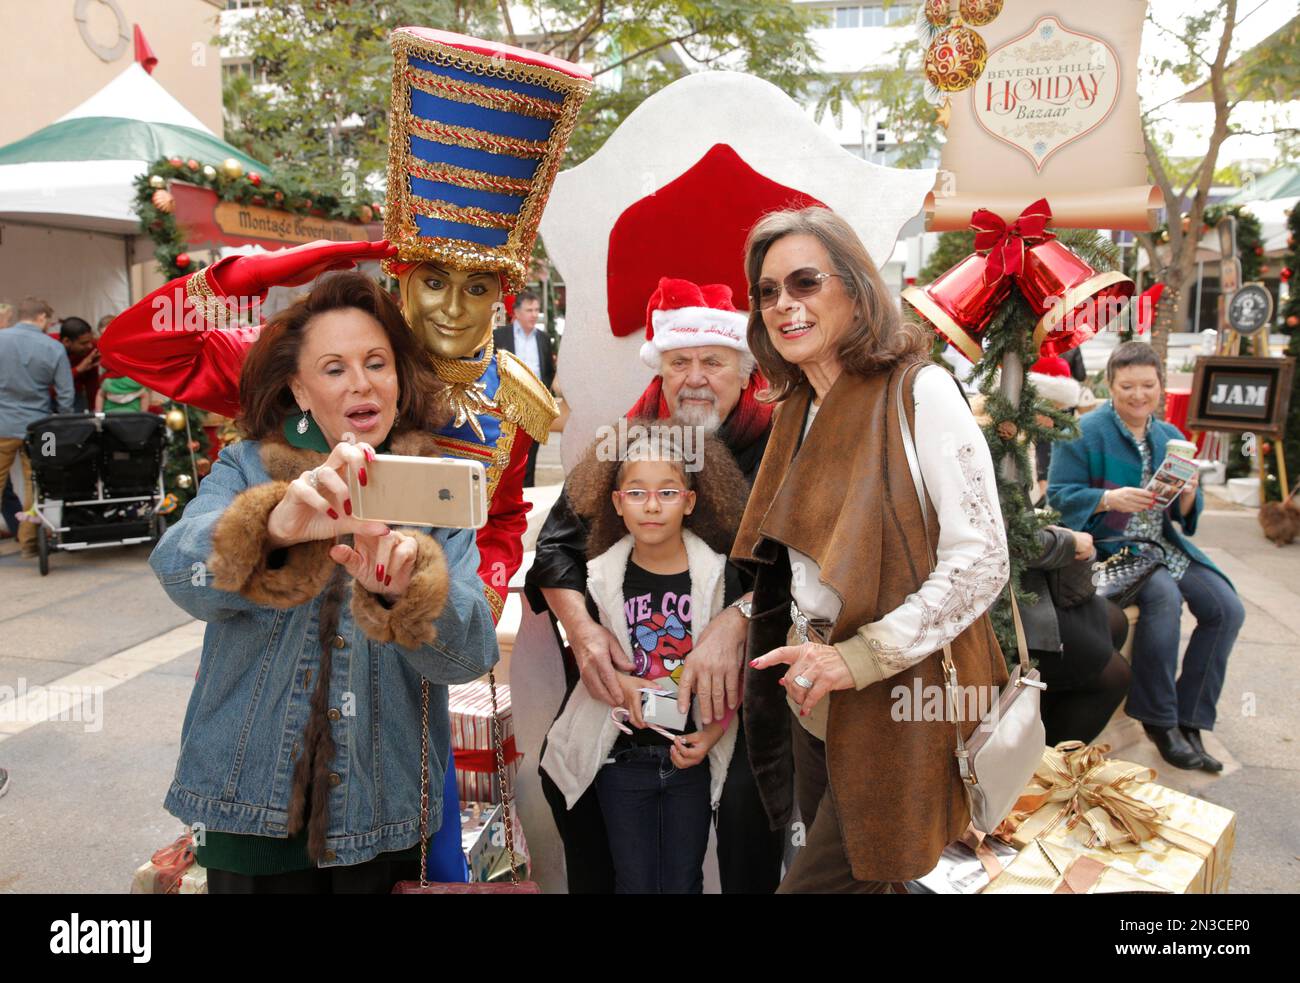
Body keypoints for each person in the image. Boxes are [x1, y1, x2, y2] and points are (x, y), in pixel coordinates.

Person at [99, 26, 592, 885]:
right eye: (431, 278)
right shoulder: (267, 430)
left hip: (395, 749)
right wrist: (285, 269)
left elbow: (498, 526)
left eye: (476, 285)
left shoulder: (514, 399)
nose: (450, 305)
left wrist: (442, 581)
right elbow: (133, 348)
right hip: (254, 779)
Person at [151, 272, 497, 893]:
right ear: (299, 389)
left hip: (381, 809)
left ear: (398, 379)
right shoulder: (248, 465)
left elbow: (469, 656)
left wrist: (404, 591)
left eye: (376, 363)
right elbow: (178, 572)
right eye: (334, 369)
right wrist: (274, 526)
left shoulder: (438, 488)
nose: (361, 383)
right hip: (245, 797)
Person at [733, 207, 1009, 893]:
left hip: (896, 705)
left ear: (855, 290)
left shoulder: (921, 391)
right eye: (767, 292)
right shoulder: (797, 405)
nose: (783, 305)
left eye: (803, 282)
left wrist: (859, 656)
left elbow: (982, 559)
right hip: (815, 702)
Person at [525, 276, 782, 894]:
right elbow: (556, 546)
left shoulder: (779, 441)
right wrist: (583, 634)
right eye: (679, 361)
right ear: (661, 370)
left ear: (744, 369)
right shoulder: (628, 438)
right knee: (572, 786)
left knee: (751, 809)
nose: (695, 377)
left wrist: (737, 620)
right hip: (633, 664)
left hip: (750, 671)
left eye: (712, 361)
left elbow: (808, 565)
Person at [542, 424, 749, 892]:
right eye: (636, 492)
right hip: (622, 763)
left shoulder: (717, 579)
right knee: (632, 881)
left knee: (683, 881)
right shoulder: (599, 580)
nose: (652, 505)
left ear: (690, 502)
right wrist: (623, 688)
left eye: (667, 492)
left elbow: (732, 676)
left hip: (687, 764)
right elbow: (595, 669)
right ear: (616, 502)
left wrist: (712, 733)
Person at [1048, 341, 1243, 772]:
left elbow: (1184, 515)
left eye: (1148, 385)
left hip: (1163, 545)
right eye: (1127, 386)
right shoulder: (1081, 431)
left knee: (1226, 609)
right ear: (1109, 385)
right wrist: (1107, 499)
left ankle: (1191, 718)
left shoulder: (1171, 437)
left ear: (1161, 387)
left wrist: (1189, 494)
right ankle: (1158, 718)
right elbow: (1058, 500)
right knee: (1164, 598)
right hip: (1114, 549)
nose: (1139, 395)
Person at [1021, 524, 1132, 745]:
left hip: (1027, 574)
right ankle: (1045, 767)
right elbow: (1002, 538)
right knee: (1115, 676)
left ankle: (1041, 725)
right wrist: (1066, 541)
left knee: (1116, 620)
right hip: (997, 600)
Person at [0, 297, 74, 558]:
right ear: (41, 317)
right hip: (43, 430)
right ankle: (29, 543)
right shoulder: (52, 347)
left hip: (2, 425)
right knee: (40, 482)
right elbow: (66, 395)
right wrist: (63, 424)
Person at [494, 289, 555, 486]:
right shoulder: (500, 337)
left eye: (536, 310)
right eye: (529, 310)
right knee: (506, 453)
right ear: (517, 313)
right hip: (506, 406)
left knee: (530, 457)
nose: (534, 314)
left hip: (534, 409)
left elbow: (548, 371)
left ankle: (526, 496)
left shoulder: (544, 339)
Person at [58, 317, 100, 412]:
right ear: (66, 342)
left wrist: (94, 409)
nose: (89, 346)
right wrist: (78, 370)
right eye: (83, 343)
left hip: (76, 395)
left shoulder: (92, 348)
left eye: (90, 341)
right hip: (53, 396)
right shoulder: (50, 347)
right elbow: (51, 386)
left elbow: (92, 382)